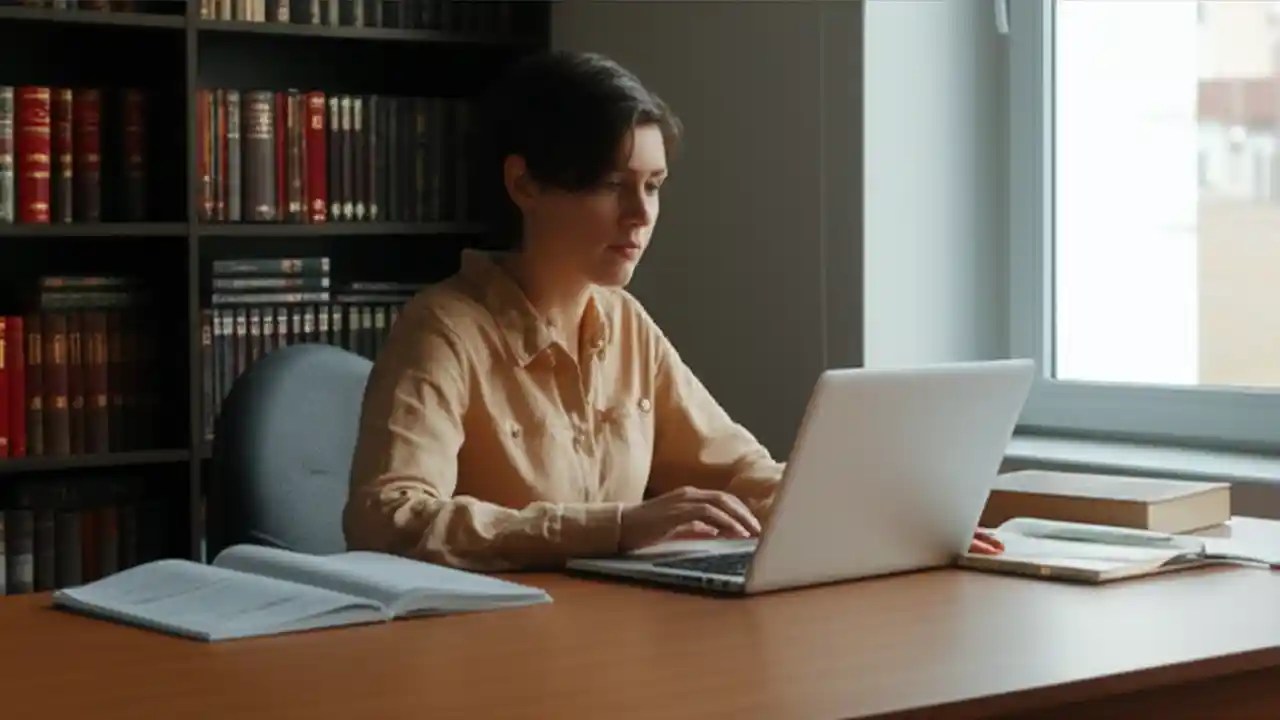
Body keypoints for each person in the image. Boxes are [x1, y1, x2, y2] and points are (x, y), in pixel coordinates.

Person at [341, 50, 1003, 572]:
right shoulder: (443, 329)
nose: (641, 216)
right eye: (611, 185)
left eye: (654, 186)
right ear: (525, 184)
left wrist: (894, 523)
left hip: (609, 631)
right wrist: (620, 526)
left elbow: (743, 474)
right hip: (484, 654)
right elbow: (387, 517)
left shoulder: (625, 324)